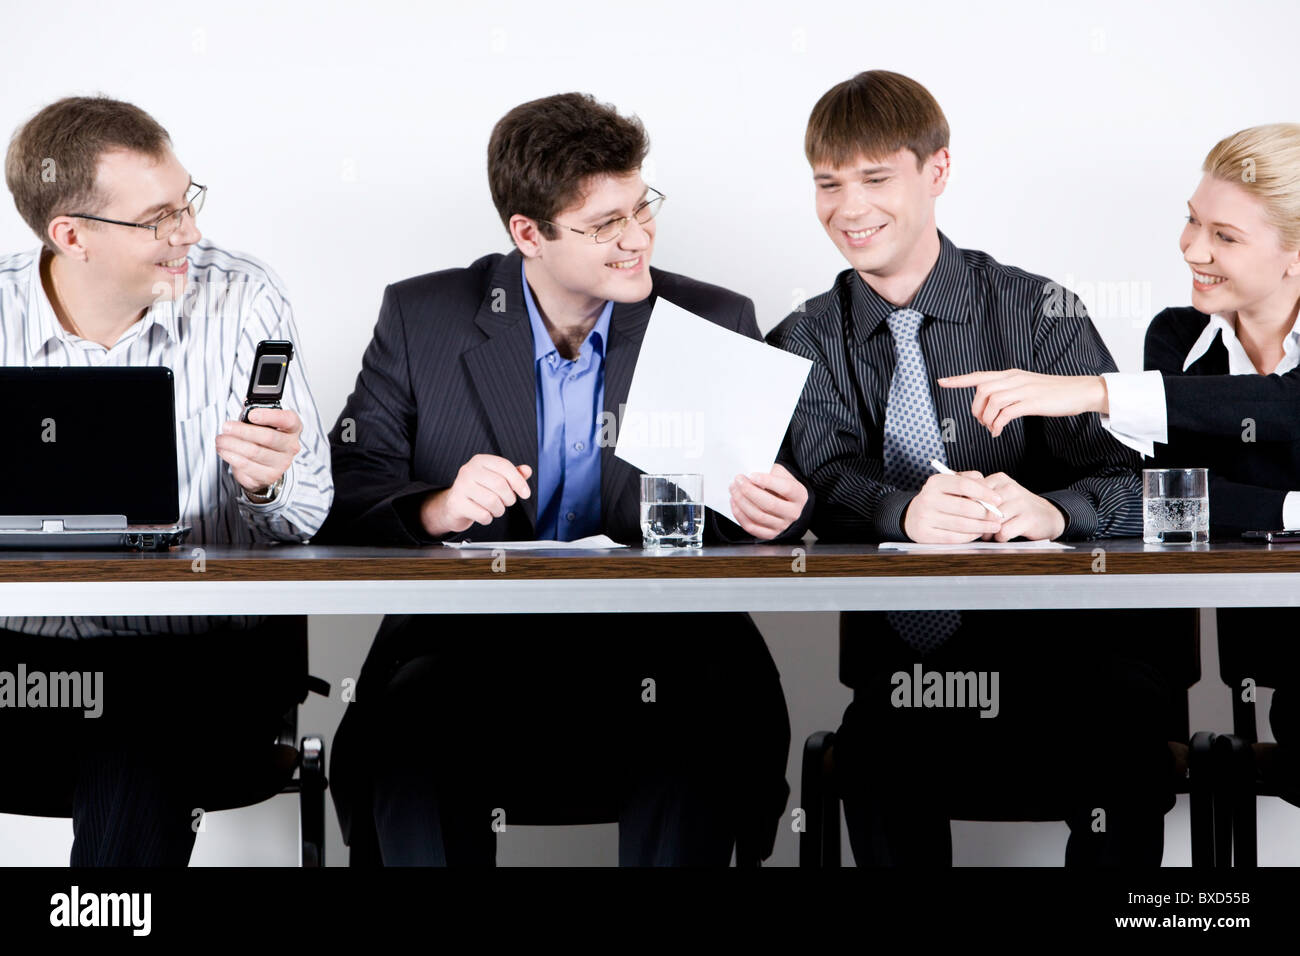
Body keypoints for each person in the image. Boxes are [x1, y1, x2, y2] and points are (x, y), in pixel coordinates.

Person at [318, 92, 813, 866]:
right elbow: (343, 482)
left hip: (662, 648)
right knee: (411, 737)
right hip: (466, 652)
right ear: (528, 234)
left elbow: (742, 514)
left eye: (641, 208)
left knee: (693, 732)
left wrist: (771, 512)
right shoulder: (424, 318)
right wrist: (439, 507)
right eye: (603, 224)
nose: (636, 239)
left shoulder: (711, 319)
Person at [766, 70, 1187, 865]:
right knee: (875, 759)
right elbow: (817, 484)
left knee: (1125, 749)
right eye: (828, 184)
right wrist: (901, 512)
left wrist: (1053, 513)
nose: (849, 209)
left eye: (875, 178)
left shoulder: (1038, 311)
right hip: (908, 674)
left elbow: (1131, 482)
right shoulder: (805, 338)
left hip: (1069, 657)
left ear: (938, 173)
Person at [0, 96, 332, 865]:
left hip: (203, 667)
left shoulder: (243, 294)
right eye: (159, 218)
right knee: (117, 724)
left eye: (187, 203)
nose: (191, 233)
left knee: (131, 732)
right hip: (24, 667)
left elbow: (308, 515)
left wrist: (267, 486)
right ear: (71, 235)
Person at [942, 122, 1300, 788]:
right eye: (1193, 221)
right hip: (1276, 655)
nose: (1193, 248)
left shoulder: (1164, 380)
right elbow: (1177, 496)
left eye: (1225, 236)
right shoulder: (1178, 335)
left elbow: (1284, 405)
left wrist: (1092, 391)